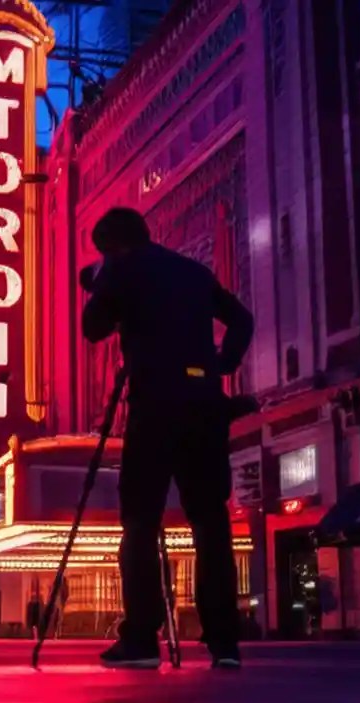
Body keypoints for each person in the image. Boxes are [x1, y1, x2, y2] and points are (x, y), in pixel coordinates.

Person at [81, 207, 254, 670]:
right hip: (203, 404)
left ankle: (140, 639)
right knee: (210, 523)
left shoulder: (121, 268)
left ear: (112, 246)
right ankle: (224, 644)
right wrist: (224, 363)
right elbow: (242, 320)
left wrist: (105, 282)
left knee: (140, 520)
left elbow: (92, 327)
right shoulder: (193, 272)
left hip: (154, 404)